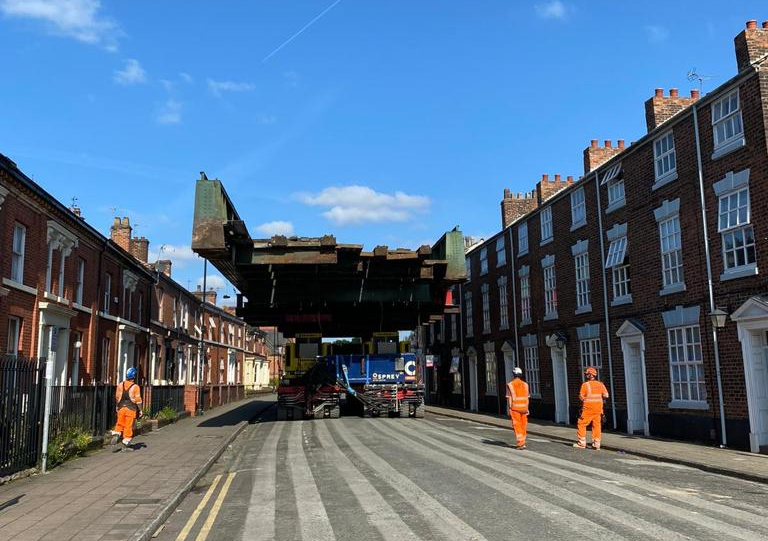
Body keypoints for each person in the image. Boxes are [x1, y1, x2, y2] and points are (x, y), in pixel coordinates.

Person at [574, 366, 609, 450]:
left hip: (588, 409)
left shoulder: (585, 385)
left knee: (581, 424)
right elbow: (606, 395)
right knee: (596, 425)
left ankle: (581, 443)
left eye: (587, 374)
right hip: (598, 409)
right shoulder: (601, 384)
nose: (586, 376)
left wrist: (585, 399)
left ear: (590, 375)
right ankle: (596, 444)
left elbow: (581, 397)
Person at [110, 367, 143, 451]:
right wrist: (140, 410)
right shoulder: (135, 387)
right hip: (131, 409)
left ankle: (117, 434)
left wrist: (117, 406)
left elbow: (117, 397)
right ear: (134, 376)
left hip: (121, 407)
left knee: (119, 423)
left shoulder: (120, 385)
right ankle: (126, 441)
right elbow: (138, 399)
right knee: (128, 426)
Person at [506, 367, 530, 450]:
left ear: (513, 374)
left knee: (517, 425)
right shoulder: (526, 385)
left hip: (515, 408)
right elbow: (527, 397)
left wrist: (509, 409)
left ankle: (520, 443)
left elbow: (509, 398)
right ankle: (523, 442)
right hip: (524, 408)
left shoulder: (510, 385)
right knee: (523, 425)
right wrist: (527, 408)